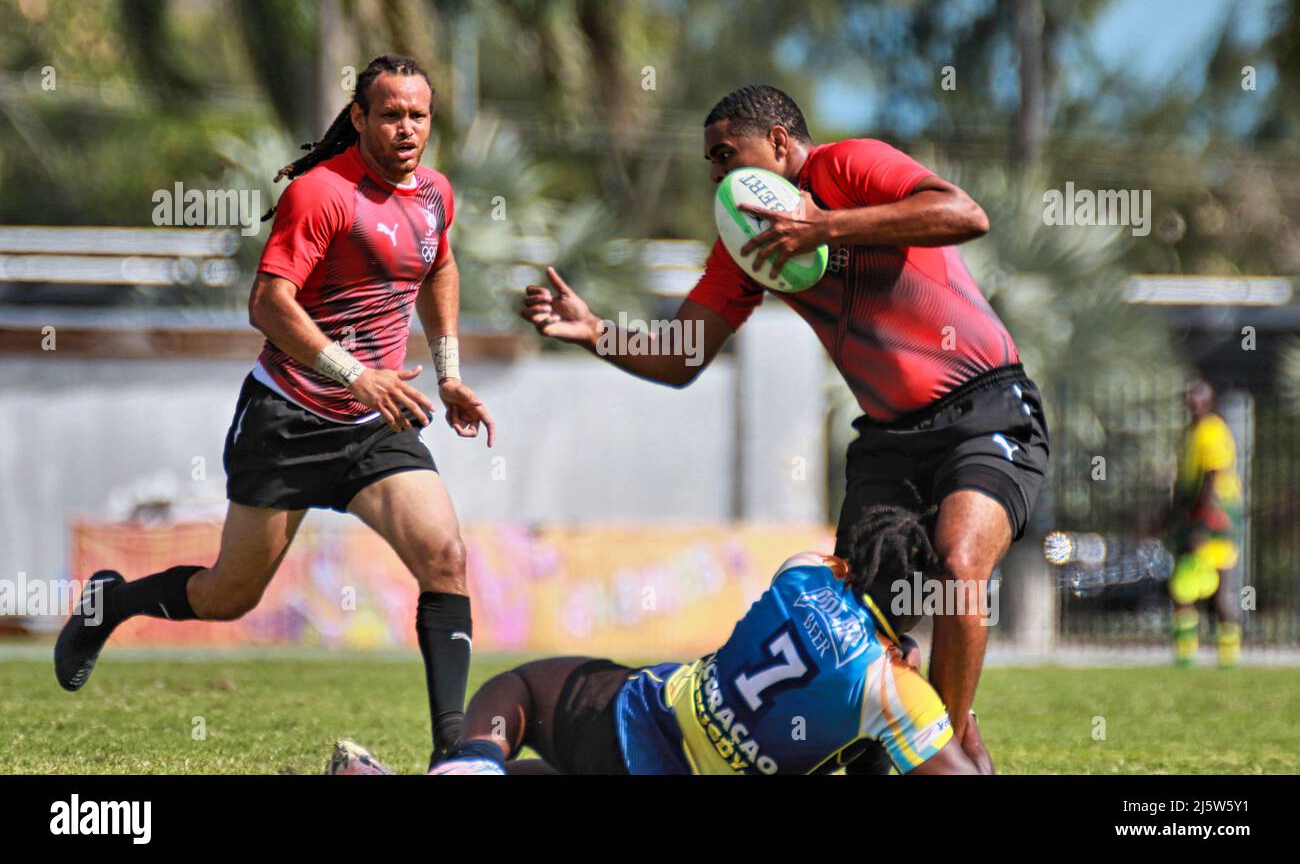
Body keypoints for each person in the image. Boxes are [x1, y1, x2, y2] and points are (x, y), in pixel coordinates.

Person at [520, 84, 1048, 750]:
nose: (716, 173)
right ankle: (944, 740)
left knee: (958, 563)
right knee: (857, 626)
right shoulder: (748, 248)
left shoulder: (848, 166)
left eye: (725, 153)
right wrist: (595, 330)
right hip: (889, 443)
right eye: (709, 163)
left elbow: (963, 214)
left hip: (987, 407)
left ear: (776, 143)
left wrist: (824, 225)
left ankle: (946, 751)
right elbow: (683, 356)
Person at [55, 54, 495, 768]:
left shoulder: (435, 194)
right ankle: (113, 603)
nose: (407, 128)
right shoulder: (321, 194)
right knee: (229, 597)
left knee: (445, 557)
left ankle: (453, 757)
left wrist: (447, 375)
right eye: (391, 113)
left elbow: (439, 262)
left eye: (419, 114)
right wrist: (355, 374)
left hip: (370, 427)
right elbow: (266, 304)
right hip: (287, 420)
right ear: (359, 117)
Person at [327, 499, 993, 776]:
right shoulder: (897, 691)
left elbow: (836, 573)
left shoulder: (804, 574)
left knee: (523, 688)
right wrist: (959, 723)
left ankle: (470, 763)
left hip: (637, 716)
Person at [1160, 381, 1242, 667]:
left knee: (1220, 589)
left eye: (1199, 399)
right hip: (1194, 516)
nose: (1193, 404)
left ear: (1211, 402)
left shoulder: (1212, 432)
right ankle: (1185, 652)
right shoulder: (1191, 434)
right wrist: (1167, 516)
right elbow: (1185, 483)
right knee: (1183, 587)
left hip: (1213, 519)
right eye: (1189, 399)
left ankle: (1228, 652)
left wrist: (1201, 523)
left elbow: (1212, 476)